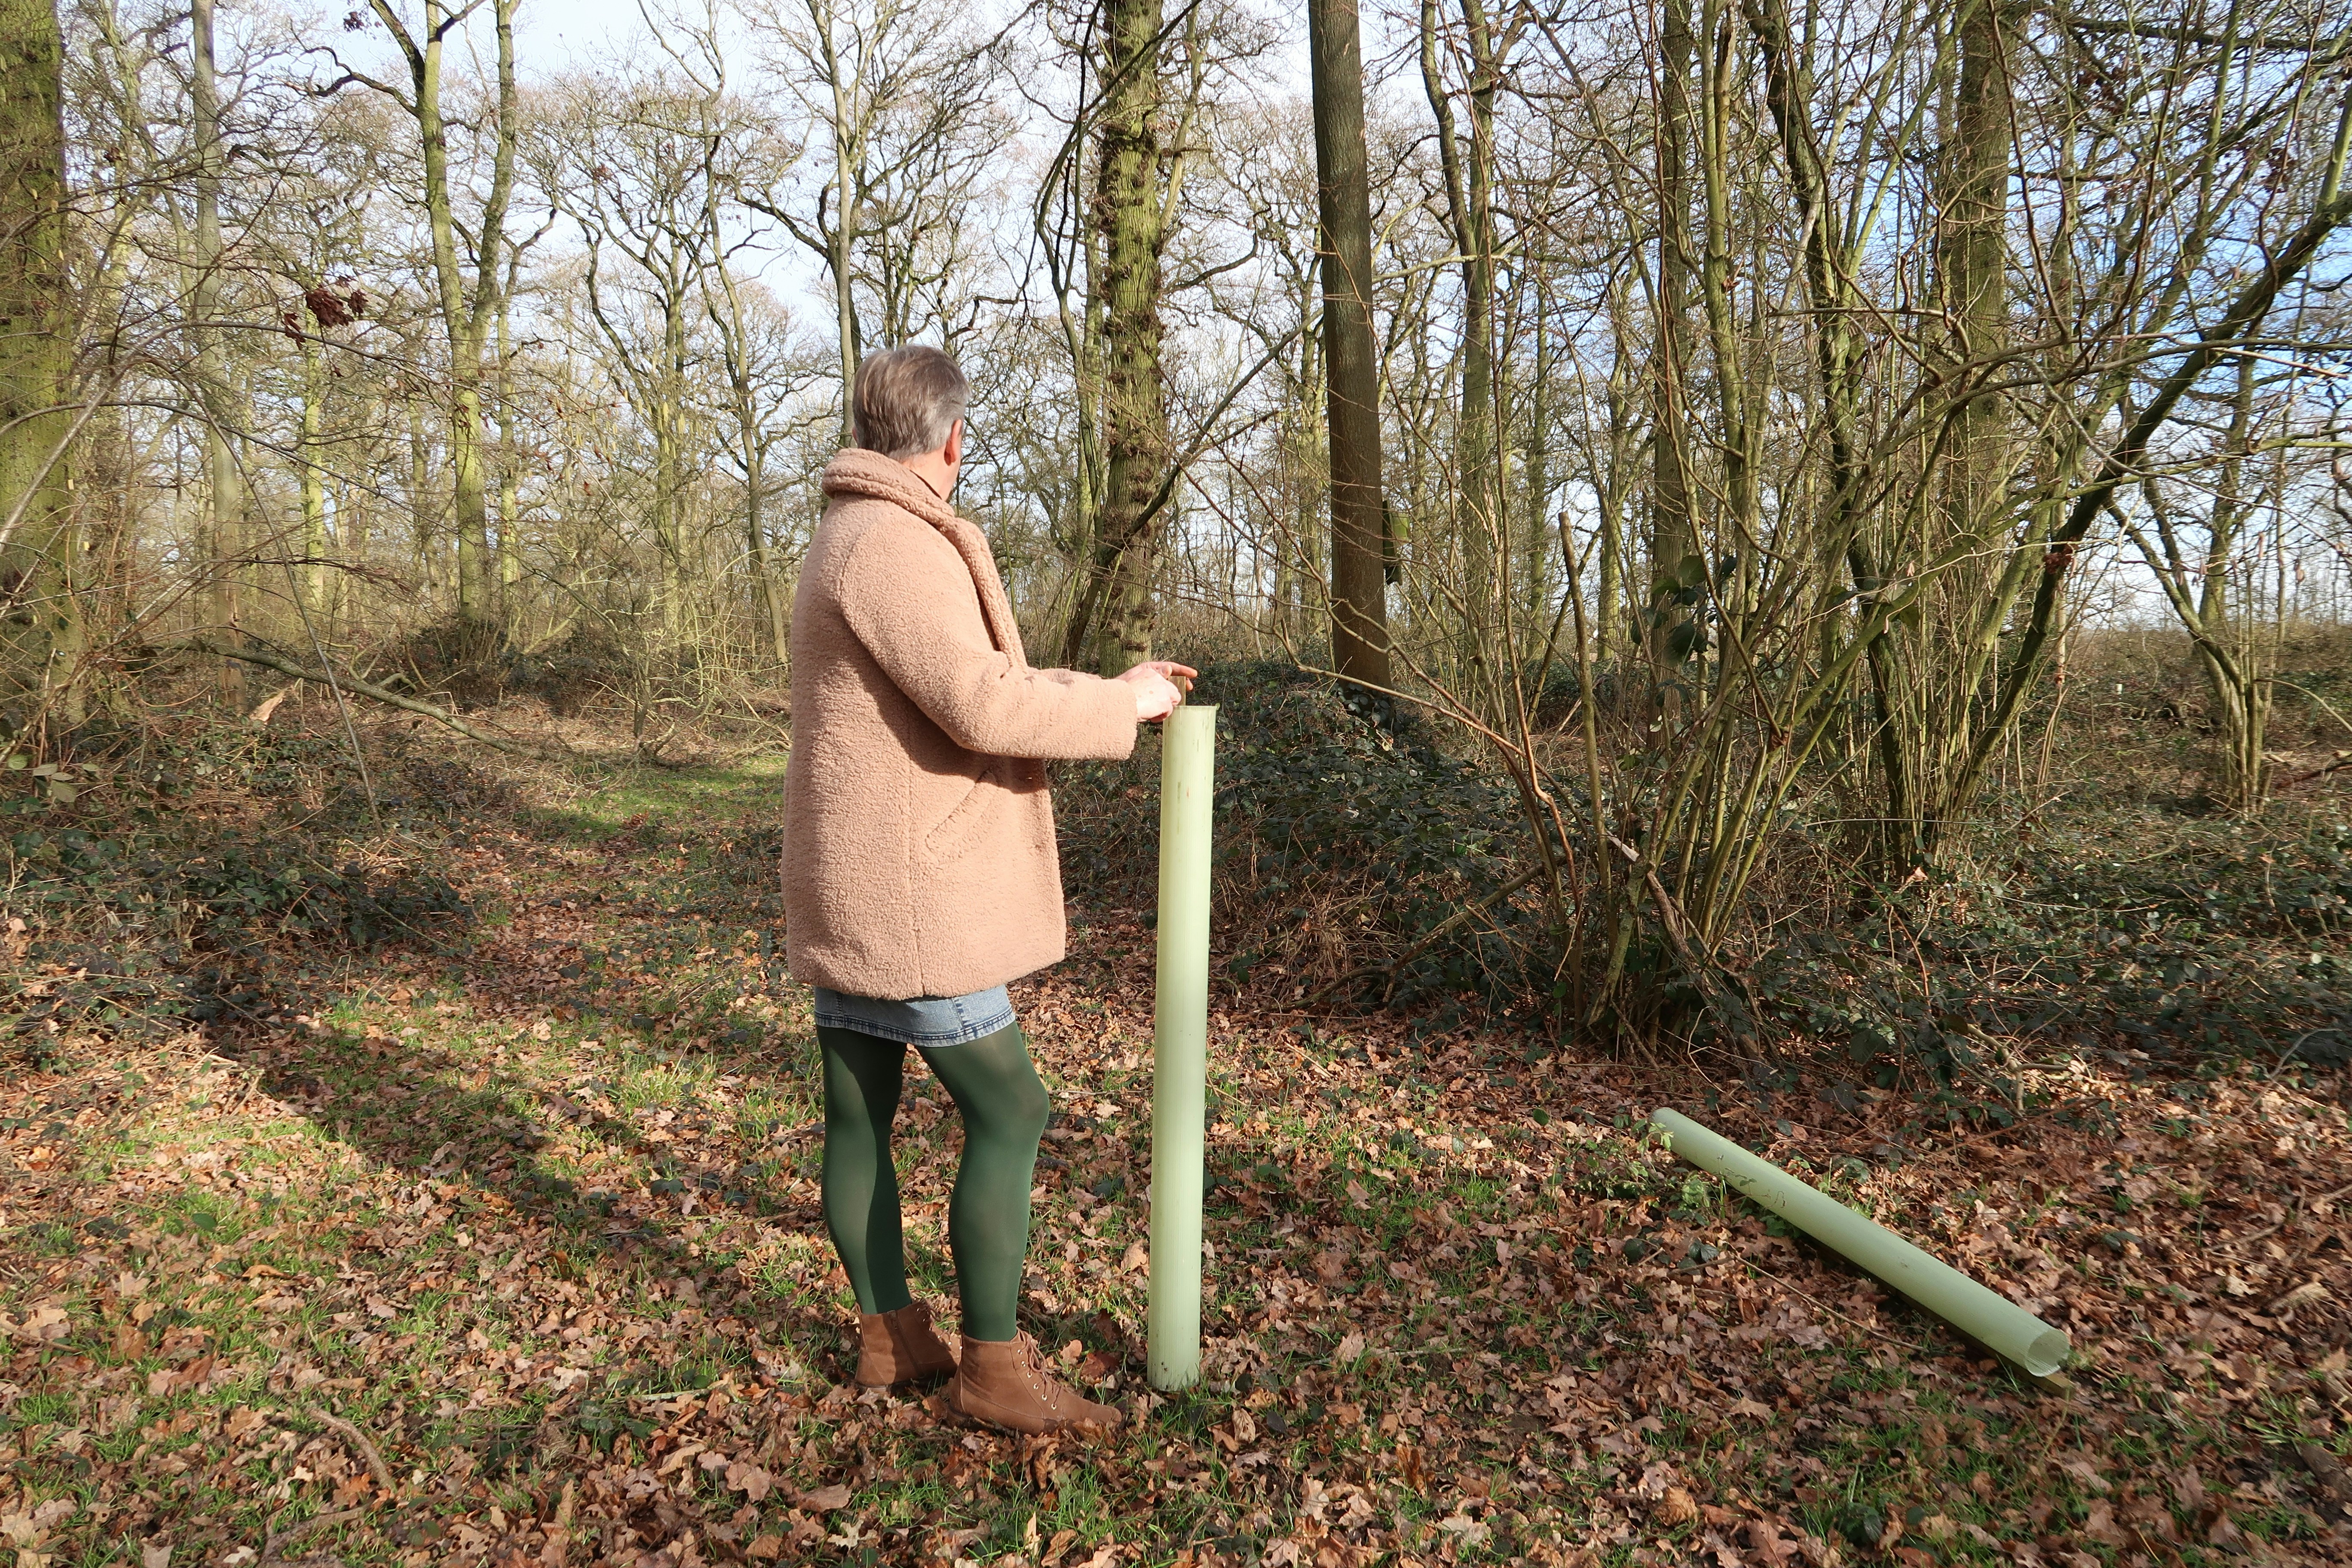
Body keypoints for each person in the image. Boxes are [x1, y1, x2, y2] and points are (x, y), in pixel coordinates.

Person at [779, 345, 1193, 1436]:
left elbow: (971, 689)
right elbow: (984, 705)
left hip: (858, 888)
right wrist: (1126, 710)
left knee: (861, 1111)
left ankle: (891, 1336)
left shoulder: (845, 535)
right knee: (1012, 1108)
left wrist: (1107, 690)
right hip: (910, 901)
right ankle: (994, 1372)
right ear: (951, 441)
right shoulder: (892, 544)